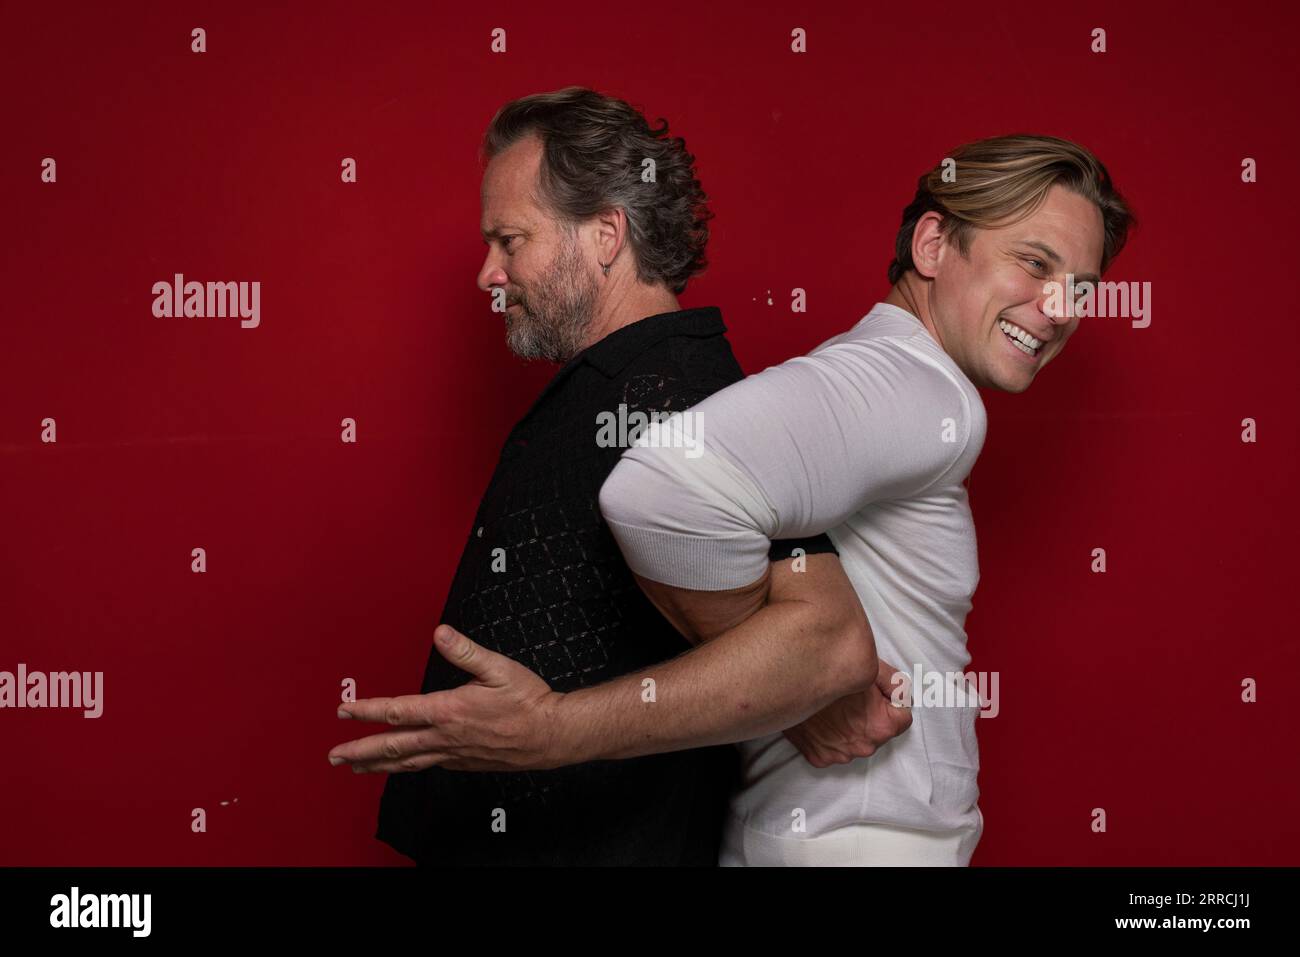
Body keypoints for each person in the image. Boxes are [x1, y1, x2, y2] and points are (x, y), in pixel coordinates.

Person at [328, 86, 909, 866]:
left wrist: (554, 729)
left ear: (605, 234)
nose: (487, 274)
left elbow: (828, 644)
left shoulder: (673, 389)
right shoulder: (624, 383)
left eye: (510, 240)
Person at [597, 133, 1137, 865]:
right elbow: (659, 489)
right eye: (1034, 263)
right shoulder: (925, 390)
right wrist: (811, 693)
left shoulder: (892, 379)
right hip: (861, 839)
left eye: (1081, 288)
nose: (1058, 307)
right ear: (934, 243)